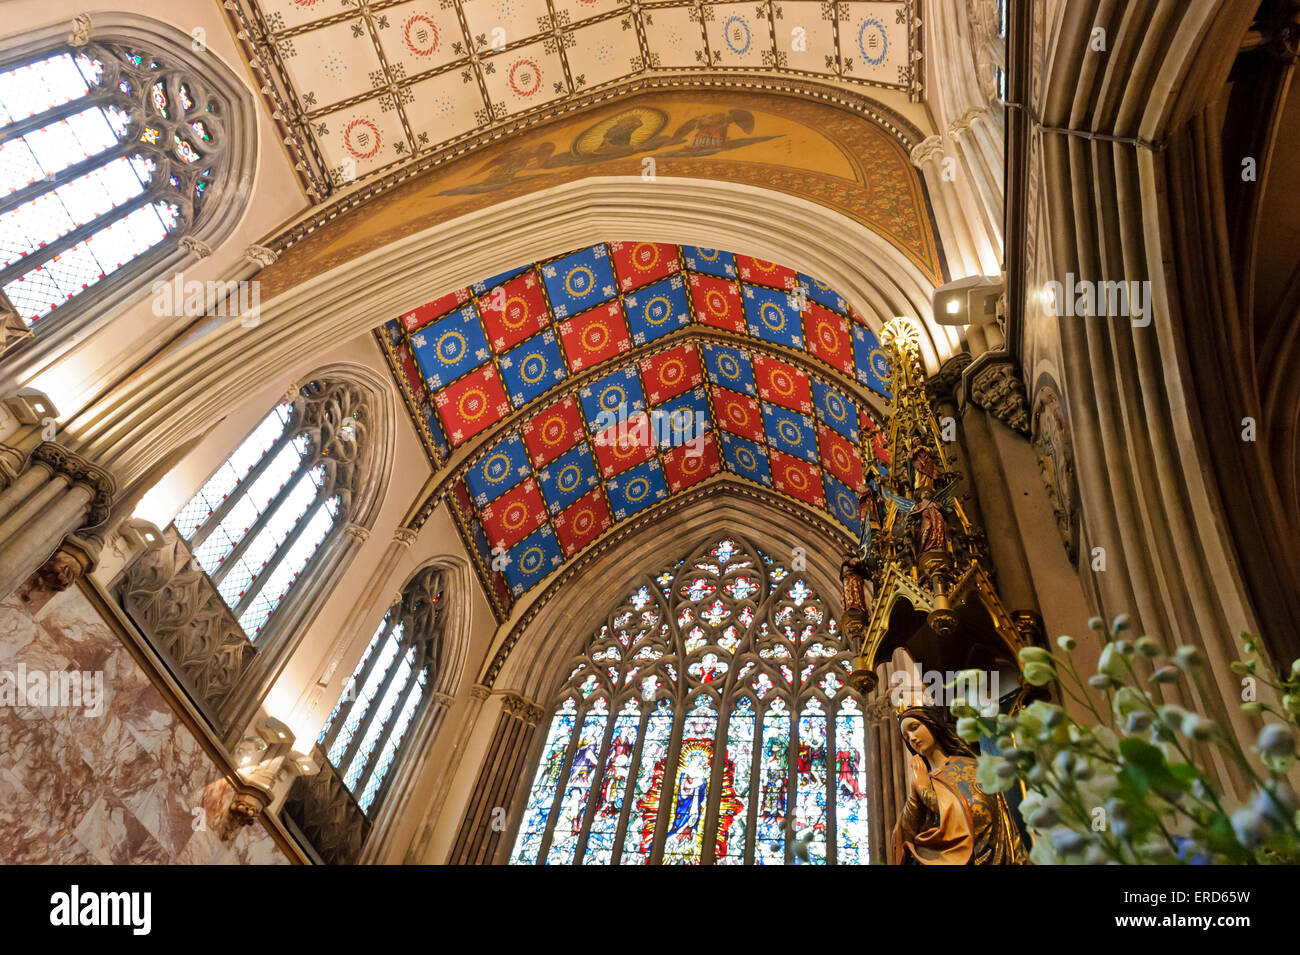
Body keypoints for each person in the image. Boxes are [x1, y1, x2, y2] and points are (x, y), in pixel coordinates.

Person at [891, 706, 1028, 864]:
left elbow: (977, 814)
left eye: (914, 728)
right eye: (906, 737)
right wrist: (915, 795)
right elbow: (903, 838)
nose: (912, 738)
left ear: (931, 724)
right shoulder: (922, 779)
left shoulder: (968, 767)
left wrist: (925, 792)